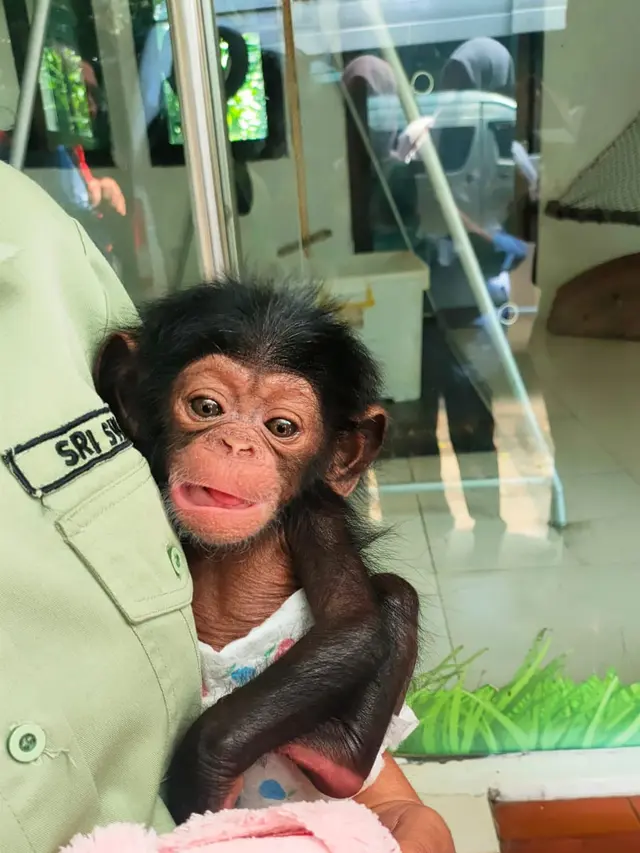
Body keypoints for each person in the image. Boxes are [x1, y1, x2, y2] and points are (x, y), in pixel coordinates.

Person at [0, 161, 455, 853]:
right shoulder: (111, 501)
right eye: (207, 406)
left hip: (297, 808)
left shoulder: (308, 522)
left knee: (392, 599)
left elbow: (367, 623)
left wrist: (231, 744)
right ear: (132, 395)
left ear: (343, 454)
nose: (236, 446)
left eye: (280, 427)